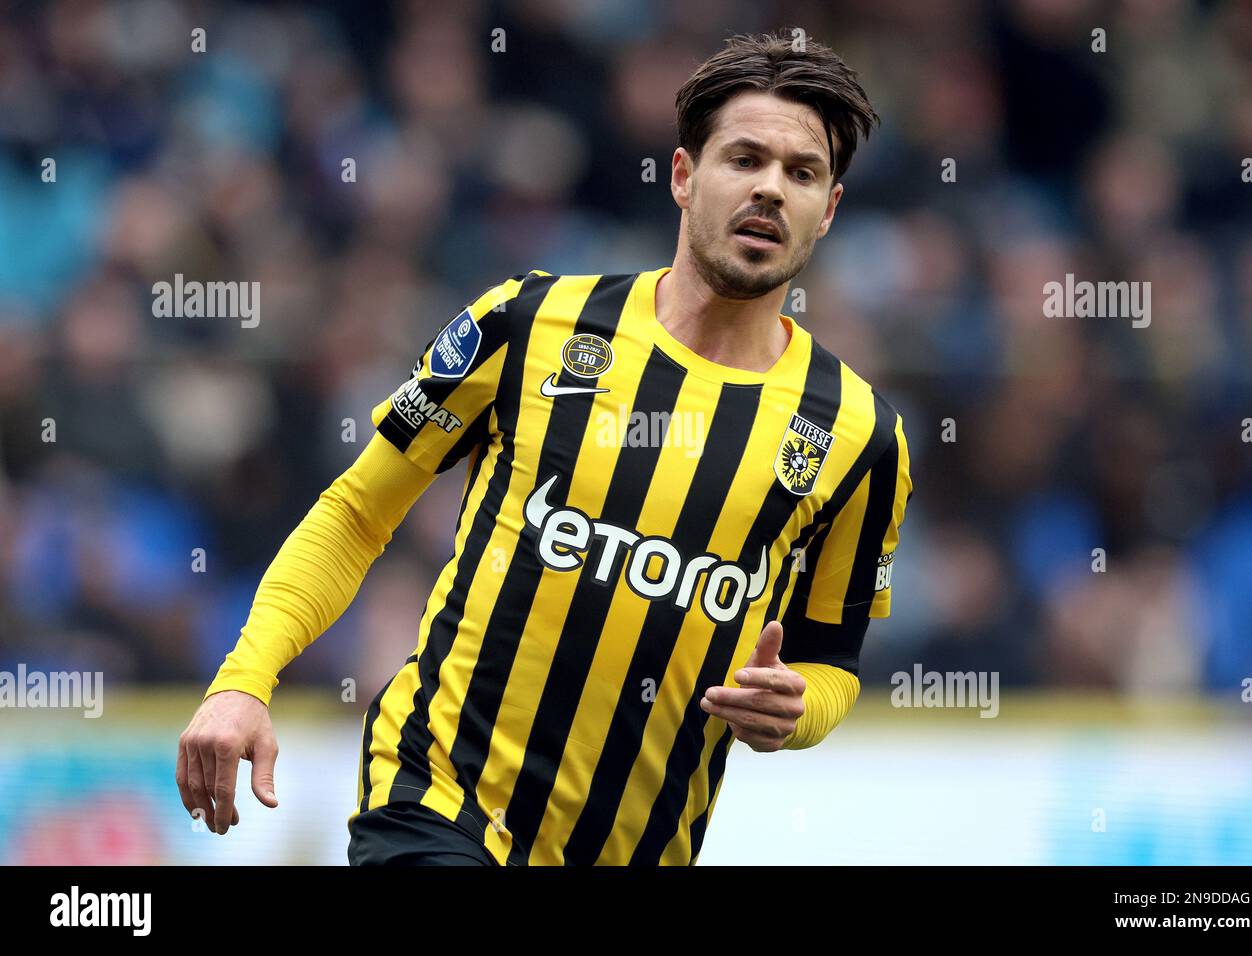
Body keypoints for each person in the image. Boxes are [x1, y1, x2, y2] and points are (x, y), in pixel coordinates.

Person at [177, 28, 913, 866]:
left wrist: (796, 710)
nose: (771, 190)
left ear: (830, 209)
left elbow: (831, 663)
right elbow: (356, 513)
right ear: (682, 176)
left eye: (801, 172)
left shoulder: (861, 437)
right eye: (744, 159)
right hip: (439, 803)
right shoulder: (529, 323)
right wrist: (244, 679)